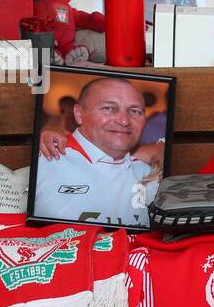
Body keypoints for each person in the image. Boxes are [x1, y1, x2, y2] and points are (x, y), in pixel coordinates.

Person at [34, 77, 162, 226]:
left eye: (134, 111)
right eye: (108, 108)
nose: (124, 120)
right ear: (79, 114)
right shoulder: (44, 158)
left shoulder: (149, 175)